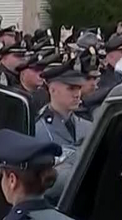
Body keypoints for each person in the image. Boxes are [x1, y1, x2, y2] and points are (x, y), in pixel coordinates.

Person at [34, 55, 94, 198]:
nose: (77, 94)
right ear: (53, 90)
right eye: (71, 88)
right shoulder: (38, 129)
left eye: (79, 88)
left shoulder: (88, 126)